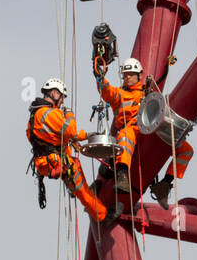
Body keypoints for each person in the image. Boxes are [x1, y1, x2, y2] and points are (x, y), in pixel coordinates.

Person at [26, 78, 117, 226]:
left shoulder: (35, 114)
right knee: (82, 190)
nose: (62, 102)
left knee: (77, 174)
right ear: (55, 93)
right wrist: (69, 114)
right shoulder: (49, 113)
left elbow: (63, 134)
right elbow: (70, 130)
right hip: (55, 161)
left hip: (46, 162)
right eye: (62, 98)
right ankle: (104, 216)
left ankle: (79, 191)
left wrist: (87, 135)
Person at [93, 53, 144, 195]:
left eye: (131, 74)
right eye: (126, 75)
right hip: (128, 132)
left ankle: (166, 182)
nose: (128, 77)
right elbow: (107, 92)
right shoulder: (120, 94)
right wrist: (100, 77)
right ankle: (120, 177)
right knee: (125, 135)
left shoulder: (146, 94)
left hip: (144, 132)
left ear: (139, 75)